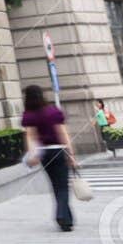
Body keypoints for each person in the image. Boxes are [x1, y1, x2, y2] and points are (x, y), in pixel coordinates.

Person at [22, 85, 78, 231]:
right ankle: (63, 216)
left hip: (44, 153)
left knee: (55, 185)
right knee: (63, 186)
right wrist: (71, 154)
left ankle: (66, 219)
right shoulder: (53, 111)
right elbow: (62, 133)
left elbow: (31, 137)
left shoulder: (29, 115)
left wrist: (33, 155)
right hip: (59, 150)